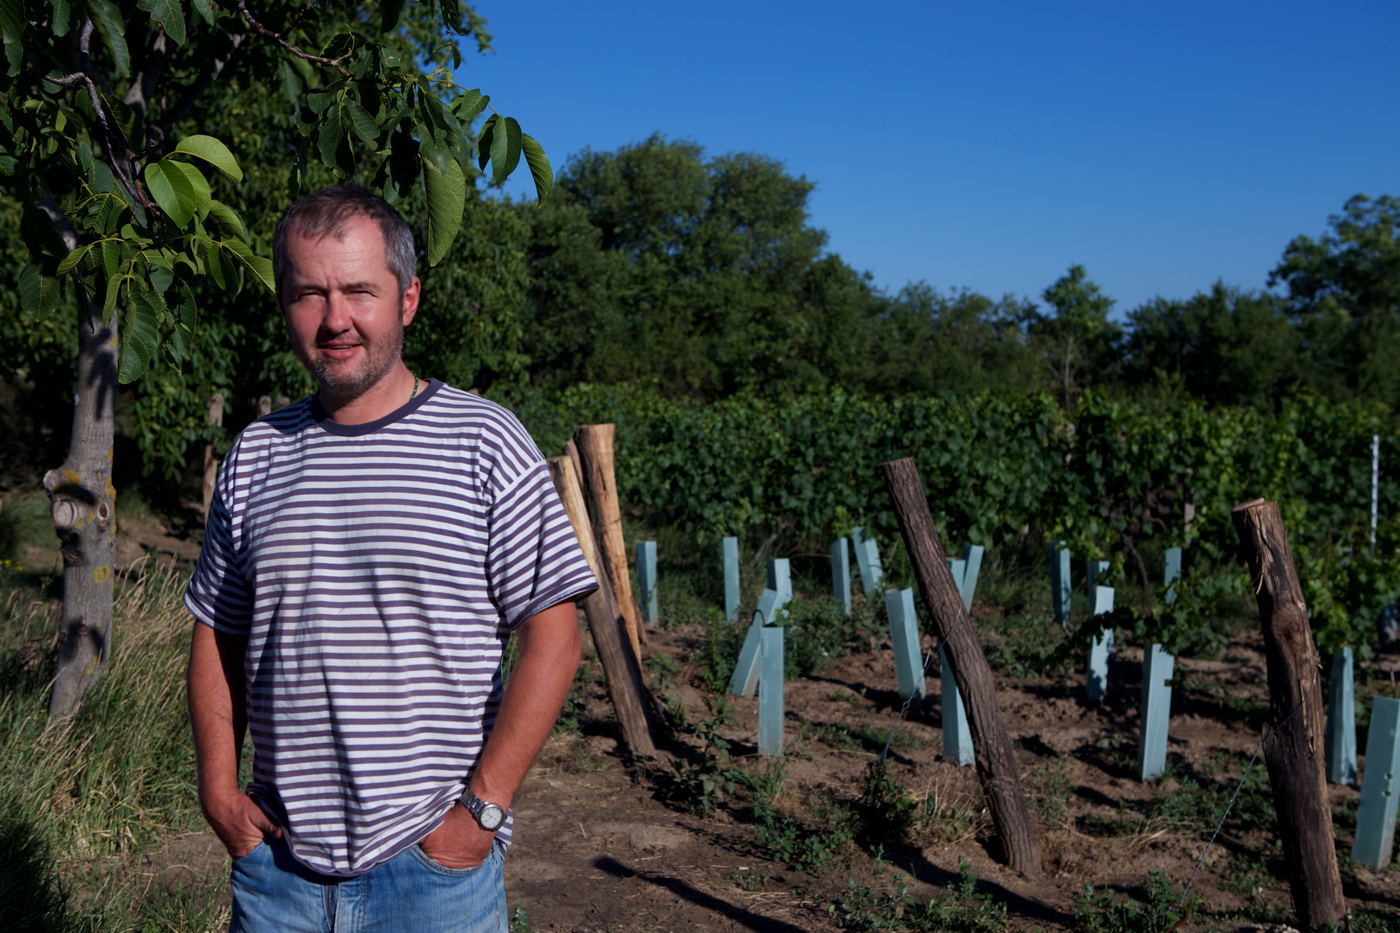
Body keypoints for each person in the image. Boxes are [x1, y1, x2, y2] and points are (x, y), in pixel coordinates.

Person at [185, 185, 597, 932]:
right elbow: (217, 629)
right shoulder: (256, 454)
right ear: (285, 304)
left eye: (358, 291)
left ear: (407, 298)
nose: (335, 318)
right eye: (309, 293)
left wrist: (479, 814)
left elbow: (553, 637)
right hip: (278, 871)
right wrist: (218, 790)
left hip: (432, 873)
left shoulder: (484, 443)